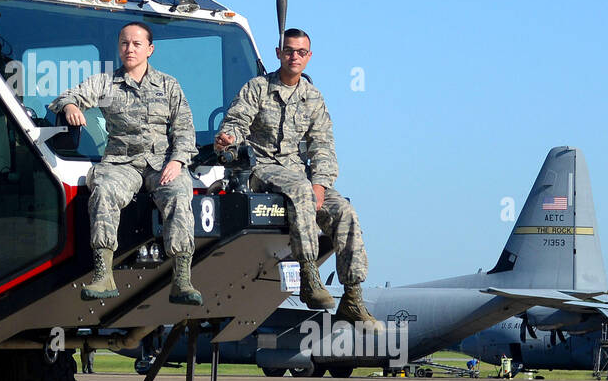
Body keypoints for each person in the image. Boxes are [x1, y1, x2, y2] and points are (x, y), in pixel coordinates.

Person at [215, 29, 379, 328]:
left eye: (301, 52)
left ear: (309, 57)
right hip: (261, 168)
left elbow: (323, 147)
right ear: (278, 54)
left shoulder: (312, 97)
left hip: (299, 172)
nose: (294, 56)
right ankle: (308, 276)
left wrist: (320, 184)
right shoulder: (258, 88)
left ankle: (353, 298)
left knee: (344, 210)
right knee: (301, 190)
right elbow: (236, 122)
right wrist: (229, 138)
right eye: (289, 51)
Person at [50, 23, 202, 306]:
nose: (129, 49)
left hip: (162, 164)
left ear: (150, 49)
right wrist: (71, 107)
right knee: (104, 189)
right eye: (124, 43)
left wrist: (178, 161)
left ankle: (182, 279)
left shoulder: (168, 85)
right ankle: (103, 274)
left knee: (180, 193)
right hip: (122, 163)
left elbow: (184, 128)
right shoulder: (106, 83)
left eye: (136, 44)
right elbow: (66, 97)